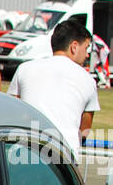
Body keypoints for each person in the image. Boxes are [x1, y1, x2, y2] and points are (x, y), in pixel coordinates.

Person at [6, 18, 99, 163]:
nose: (87, 55)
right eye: (86, 48)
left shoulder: (24, 69)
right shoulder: (88, 80)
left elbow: (12, 111)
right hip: (63, 159)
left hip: (24, 152)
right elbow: (85, 129)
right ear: (74, 47)